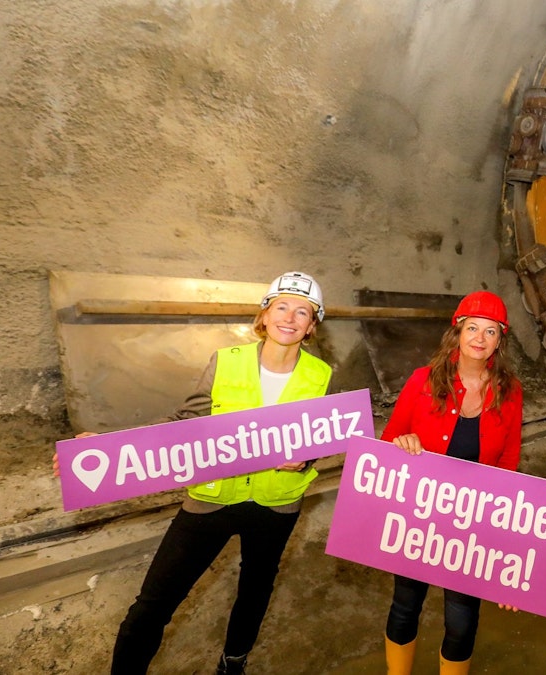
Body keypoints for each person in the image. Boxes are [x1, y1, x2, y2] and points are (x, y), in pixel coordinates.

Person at [94, 271, 332, 675]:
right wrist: (102, 448)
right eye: (282, 306)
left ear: (312, 325)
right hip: (211, 499)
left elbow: (317, 439)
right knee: (154, 601)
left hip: (276, 504)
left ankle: (233, 662)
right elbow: (184, 421)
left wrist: (306, 459)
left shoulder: (320, 375)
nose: (290, 317)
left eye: (303, 311)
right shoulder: (226, 361)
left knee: (255, 590)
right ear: (265, 313)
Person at [380, 289, 523, 675]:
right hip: (419, 518)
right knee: (406, 604)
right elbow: (386, 443)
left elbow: (509, 463)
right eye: (472, 327)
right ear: (457, 332)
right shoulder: (423, 381)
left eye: (490, 331)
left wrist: (502, 529)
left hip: (472, 527)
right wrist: (401, 444)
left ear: (500, 340)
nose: (480, 338)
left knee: (461, 619)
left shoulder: (509, 392)